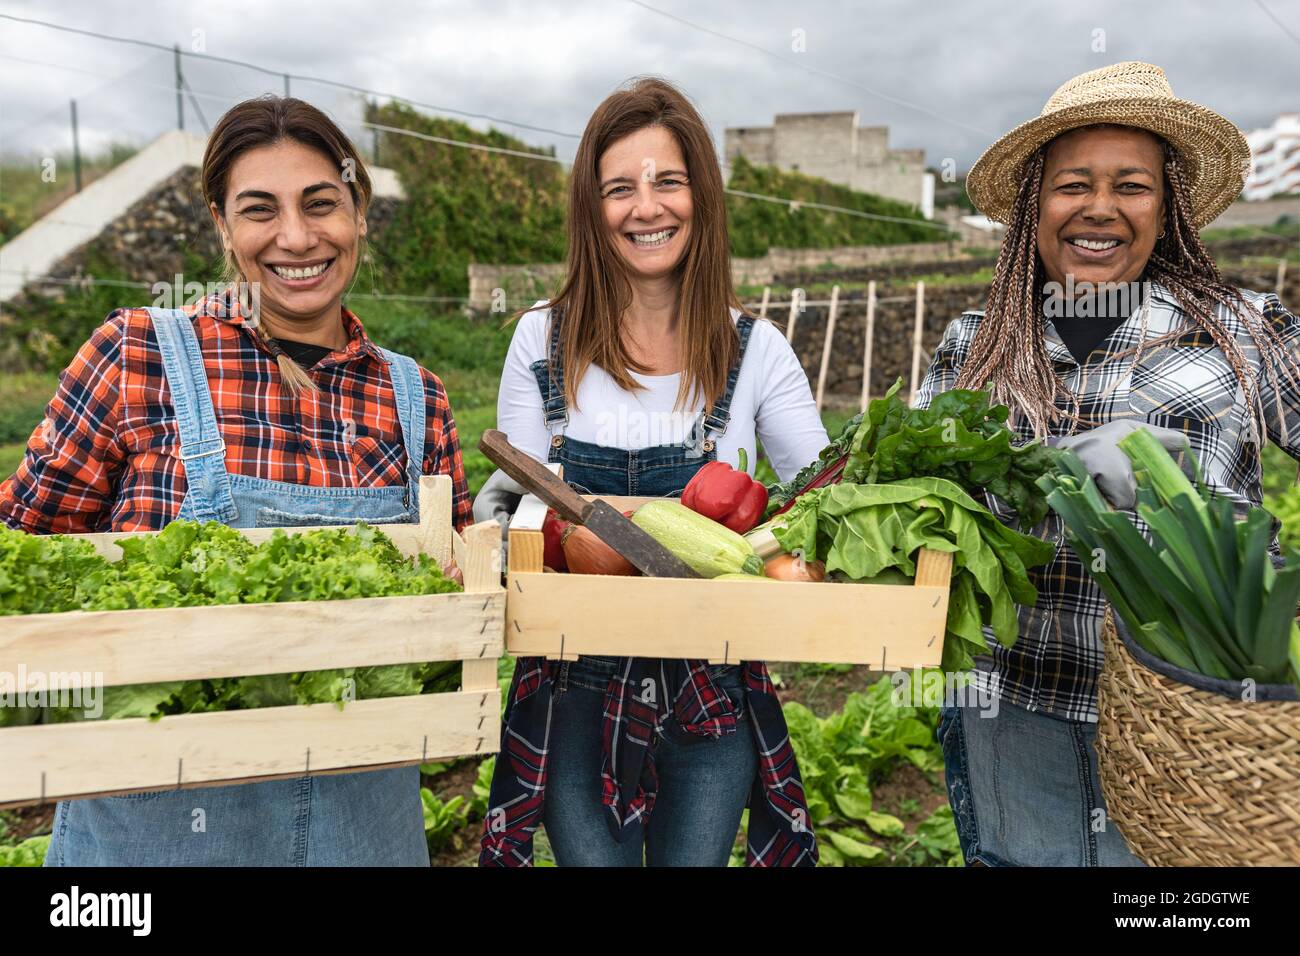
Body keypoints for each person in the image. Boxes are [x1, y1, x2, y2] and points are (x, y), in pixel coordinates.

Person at [0, 95, 474, 866]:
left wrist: (456, 585)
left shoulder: (416, 398)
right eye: (261, 209)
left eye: (322, 204)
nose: (296, 236)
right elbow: (25, 569)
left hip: (367, 827)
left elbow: (454, 619)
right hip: (155, 826)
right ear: (223, 227)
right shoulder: (137, 355)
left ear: (359, 216)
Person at [915, 61, 1300, 866]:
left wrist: (1194, 505)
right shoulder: (977, 344)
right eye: (1071, 185)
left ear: (1168, 209)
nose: (1099, 208)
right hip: (1012, 712)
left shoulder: (1240, 329)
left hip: (1194, 726)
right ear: (1036, 206)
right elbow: (913, 506)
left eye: (1131, 185)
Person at [474, 77, 828, 867]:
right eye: (619, 189)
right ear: (591, 210)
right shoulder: (542, 340)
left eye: (668, 181)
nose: (647, 208)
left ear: (700, 195)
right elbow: (511, 513)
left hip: (712, 687)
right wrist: (567, 536)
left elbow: (820, 498)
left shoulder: (755, 351)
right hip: (572, 683)